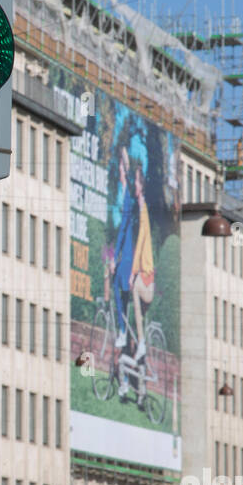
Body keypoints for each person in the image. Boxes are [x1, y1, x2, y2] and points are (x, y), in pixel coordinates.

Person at [109, 146, 135, 352]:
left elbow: (124, 228)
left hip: (127, 253)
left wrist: (115, 258)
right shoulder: (123, 193)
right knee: (120, 291)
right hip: (124, 251)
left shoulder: (128, 196)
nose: (118, 171)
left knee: (118, 285)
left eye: (121, 167)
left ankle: (122, 330)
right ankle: (123, 327)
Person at [130, 163, 155, 364]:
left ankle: (141, 343)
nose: (134, 185)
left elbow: (140, 240)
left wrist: (132, 271)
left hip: (146, 277)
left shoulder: (143, 209)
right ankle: (139, 343)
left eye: (137, 181)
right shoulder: (141, 207)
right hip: (147, 274)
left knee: (134, 288)